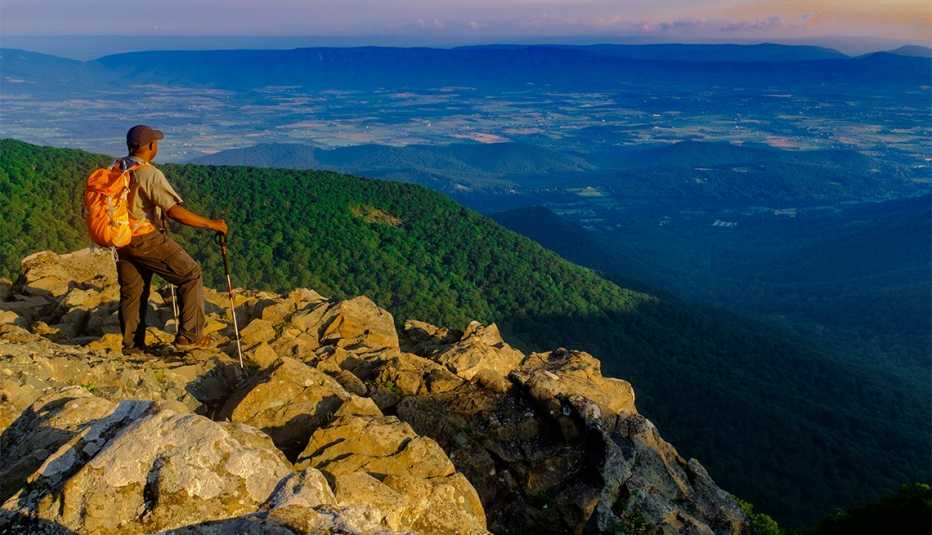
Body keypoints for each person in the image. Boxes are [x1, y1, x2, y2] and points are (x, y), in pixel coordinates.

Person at [116, 124, 228, 353]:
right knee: (190, 274)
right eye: (155, 143)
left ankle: (132, 346)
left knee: (133, 293)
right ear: (150, 146)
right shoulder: (148, 173)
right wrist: (212, 224)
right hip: (146, 238)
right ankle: (190, 337)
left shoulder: (116, 168)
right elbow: (174, 211)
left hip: (121, 239)